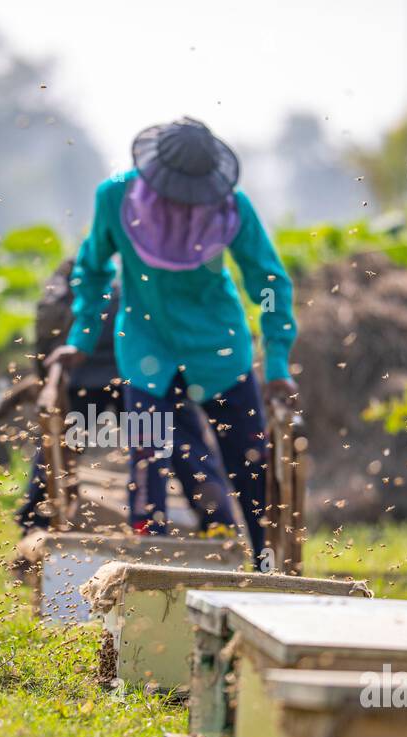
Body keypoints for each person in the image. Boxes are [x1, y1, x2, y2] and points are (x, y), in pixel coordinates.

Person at [46, 117, 298, 558]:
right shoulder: (115, 200)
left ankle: (264, 567)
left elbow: (270, 282)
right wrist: (82, 336)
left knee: (251, 470)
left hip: (218, 350)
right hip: (147, 351)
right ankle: (147, 568)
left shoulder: (232, 210)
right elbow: (92, 268)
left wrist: (276, 363)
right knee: (149, 462)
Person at [11, 258, 237, 535]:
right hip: (140, 367)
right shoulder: (148, 265)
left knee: (61, 438)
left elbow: (48, 329)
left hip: (87, 367)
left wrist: (49, 378)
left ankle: (35, 522)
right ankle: (216, 524)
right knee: (179, 442)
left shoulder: (76, 274)